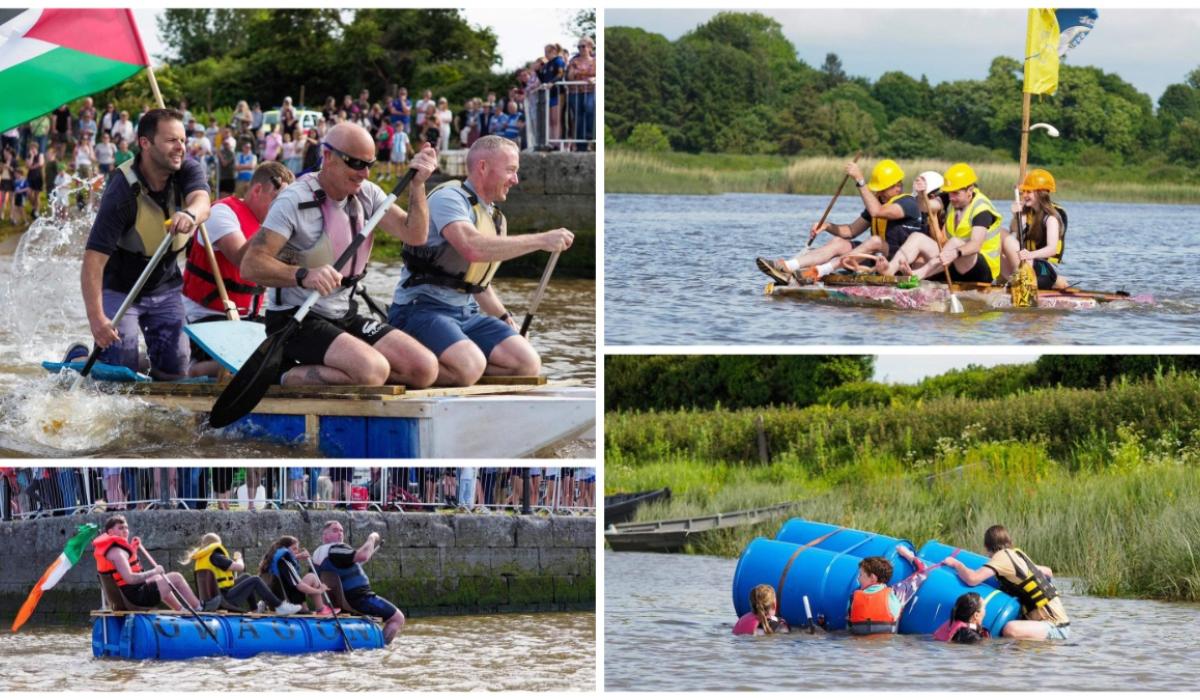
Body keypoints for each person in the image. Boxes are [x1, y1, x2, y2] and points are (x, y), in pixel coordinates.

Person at [240, 122, 439, 388]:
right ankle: (283, 375)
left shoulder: (368, 195)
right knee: (372, 371)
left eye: (370, 164)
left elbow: (415, 235)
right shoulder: (292, 201)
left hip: (343, 312)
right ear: (328, 156)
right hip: (296, 318)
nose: (364, 174)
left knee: (424, 369)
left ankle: (352, 369)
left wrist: (417, 185)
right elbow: (251, 265)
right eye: (355, 163)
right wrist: (303, 275)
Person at [387, 136, 572, 387]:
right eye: (511, 170)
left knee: (526, 363)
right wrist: (541, 240)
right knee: (469, 365)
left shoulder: (495, 218)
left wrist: (505, 318)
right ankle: (401, 367)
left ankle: (462, 371)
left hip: (466, 311)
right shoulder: (449, 198)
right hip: (421, 308)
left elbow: (477, 282)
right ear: (483, 167)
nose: (515, 180)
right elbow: (472, 247)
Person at [80, 108, 210, 380]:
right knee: (120, 365)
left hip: (165, 285)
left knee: (176, 367)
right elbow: (93, 260)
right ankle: (80, 358)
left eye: (183, 140)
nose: (181, 148)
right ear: (145, 143)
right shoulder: (121, 191)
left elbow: (202, 202)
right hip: (120, 288)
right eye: (172, 140)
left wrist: (190, 214)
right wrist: (97, 320)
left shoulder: (187, 169)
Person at [181, 161, 294, 376]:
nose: (282, 210)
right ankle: (190, 370)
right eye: (278, 202)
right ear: (257, 190)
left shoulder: (270, 228)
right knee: (257, 362)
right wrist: (278, 216)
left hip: (244, 319)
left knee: (291, 351)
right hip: (204, 318)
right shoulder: (222, 212)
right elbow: (244, 263)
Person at [755, 159, 890, 285]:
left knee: (874, 240)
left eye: (883, 189)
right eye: (878, 190)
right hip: (874, 257)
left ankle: (817, 272)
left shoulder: (903, 203)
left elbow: (876, 212)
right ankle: (789, 266)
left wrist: (860, 180)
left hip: (891, 260)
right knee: (838, 242)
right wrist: (827, 226)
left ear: (897, 187)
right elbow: (850, 231)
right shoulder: (877, 204)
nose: (879, 193)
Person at [942, 524, 1070, 640]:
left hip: (1055, 626)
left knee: (1010, 629)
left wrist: (956, 564)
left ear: (988, 548)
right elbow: (1048, 571)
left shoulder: (1001, 556)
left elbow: (972, 579)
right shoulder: (1017, 554)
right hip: (1057, 622)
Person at [312, 520, 405, 644]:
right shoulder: (336, 549)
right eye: (335, 531)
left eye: (341, 531)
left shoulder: (317, 554)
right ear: (325, 536)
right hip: (359, 598)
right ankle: (382, 648)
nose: (340, 534)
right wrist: (372, 538)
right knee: (397, 618)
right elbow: (363, 555)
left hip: (337, 601)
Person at [909, 163, 1003, 284]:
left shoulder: (982, 209)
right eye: (949, 193)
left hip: (982, 271)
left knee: (955, 242)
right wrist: (922, 195)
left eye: (955, 193)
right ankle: (891, 272)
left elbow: (975, 245)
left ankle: (918, 275)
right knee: (918, 239)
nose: (951, 197)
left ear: (969, 190)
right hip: (957, 261)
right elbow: (926, 207)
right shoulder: (951, 197)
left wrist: (955, 253)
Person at [93, 514, 202, 611]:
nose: (125, 531)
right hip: (134, 600)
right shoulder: (118, 553)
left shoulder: (111, 550)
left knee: (158, 579)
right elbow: (130, 579)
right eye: (120, 528)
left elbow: (124, 568)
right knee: (176, 577)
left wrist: (133, 549)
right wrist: (154, 571)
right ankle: (199, 607)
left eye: (126, 528)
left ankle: (181, 610)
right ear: (110, 532)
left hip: (121, 600)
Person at [182, 532, 301, 614]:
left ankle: (254, 610)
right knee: (255, 580)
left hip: (212, 598)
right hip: (222, 599)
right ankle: (280, 606)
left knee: (247, 577)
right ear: (216, 544)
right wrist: (239, 558)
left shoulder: (202, 558)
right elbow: (239, 567)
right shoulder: (216, 556)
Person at [1002, 168, 1069, 290]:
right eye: (1024, 191)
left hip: (1044, 268)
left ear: (1040, 193)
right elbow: (1013, 232)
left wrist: (1030, 255)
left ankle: (1053, 282)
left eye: (1029, 192)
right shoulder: (1027, 212)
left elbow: (1052, 249)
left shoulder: (1051, 218)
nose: (1024, 195)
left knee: (1003, 236)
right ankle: (1007, 282)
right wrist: (1016, 215)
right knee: (1001, 235)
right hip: (1028, 263)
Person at [258, 535, 330, 613]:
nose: (297, 551)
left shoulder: (272, 560)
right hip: (289, 602)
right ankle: (321, 609)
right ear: (286, 548)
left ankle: (315, 608)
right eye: (294, 549)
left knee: (308, 578)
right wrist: (319, 590)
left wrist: (296, 557)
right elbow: (300, 587)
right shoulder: (285, 562)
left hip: (278, 599)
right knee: (311, 577)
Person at [847, 556, 901, 635]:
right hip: (886, 644)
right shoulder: (892, 597)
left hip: (857, 644)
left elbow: (849, 622)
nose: (858, 578)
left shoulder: (853, 598)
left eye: (861, 575)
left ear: (872, 578)